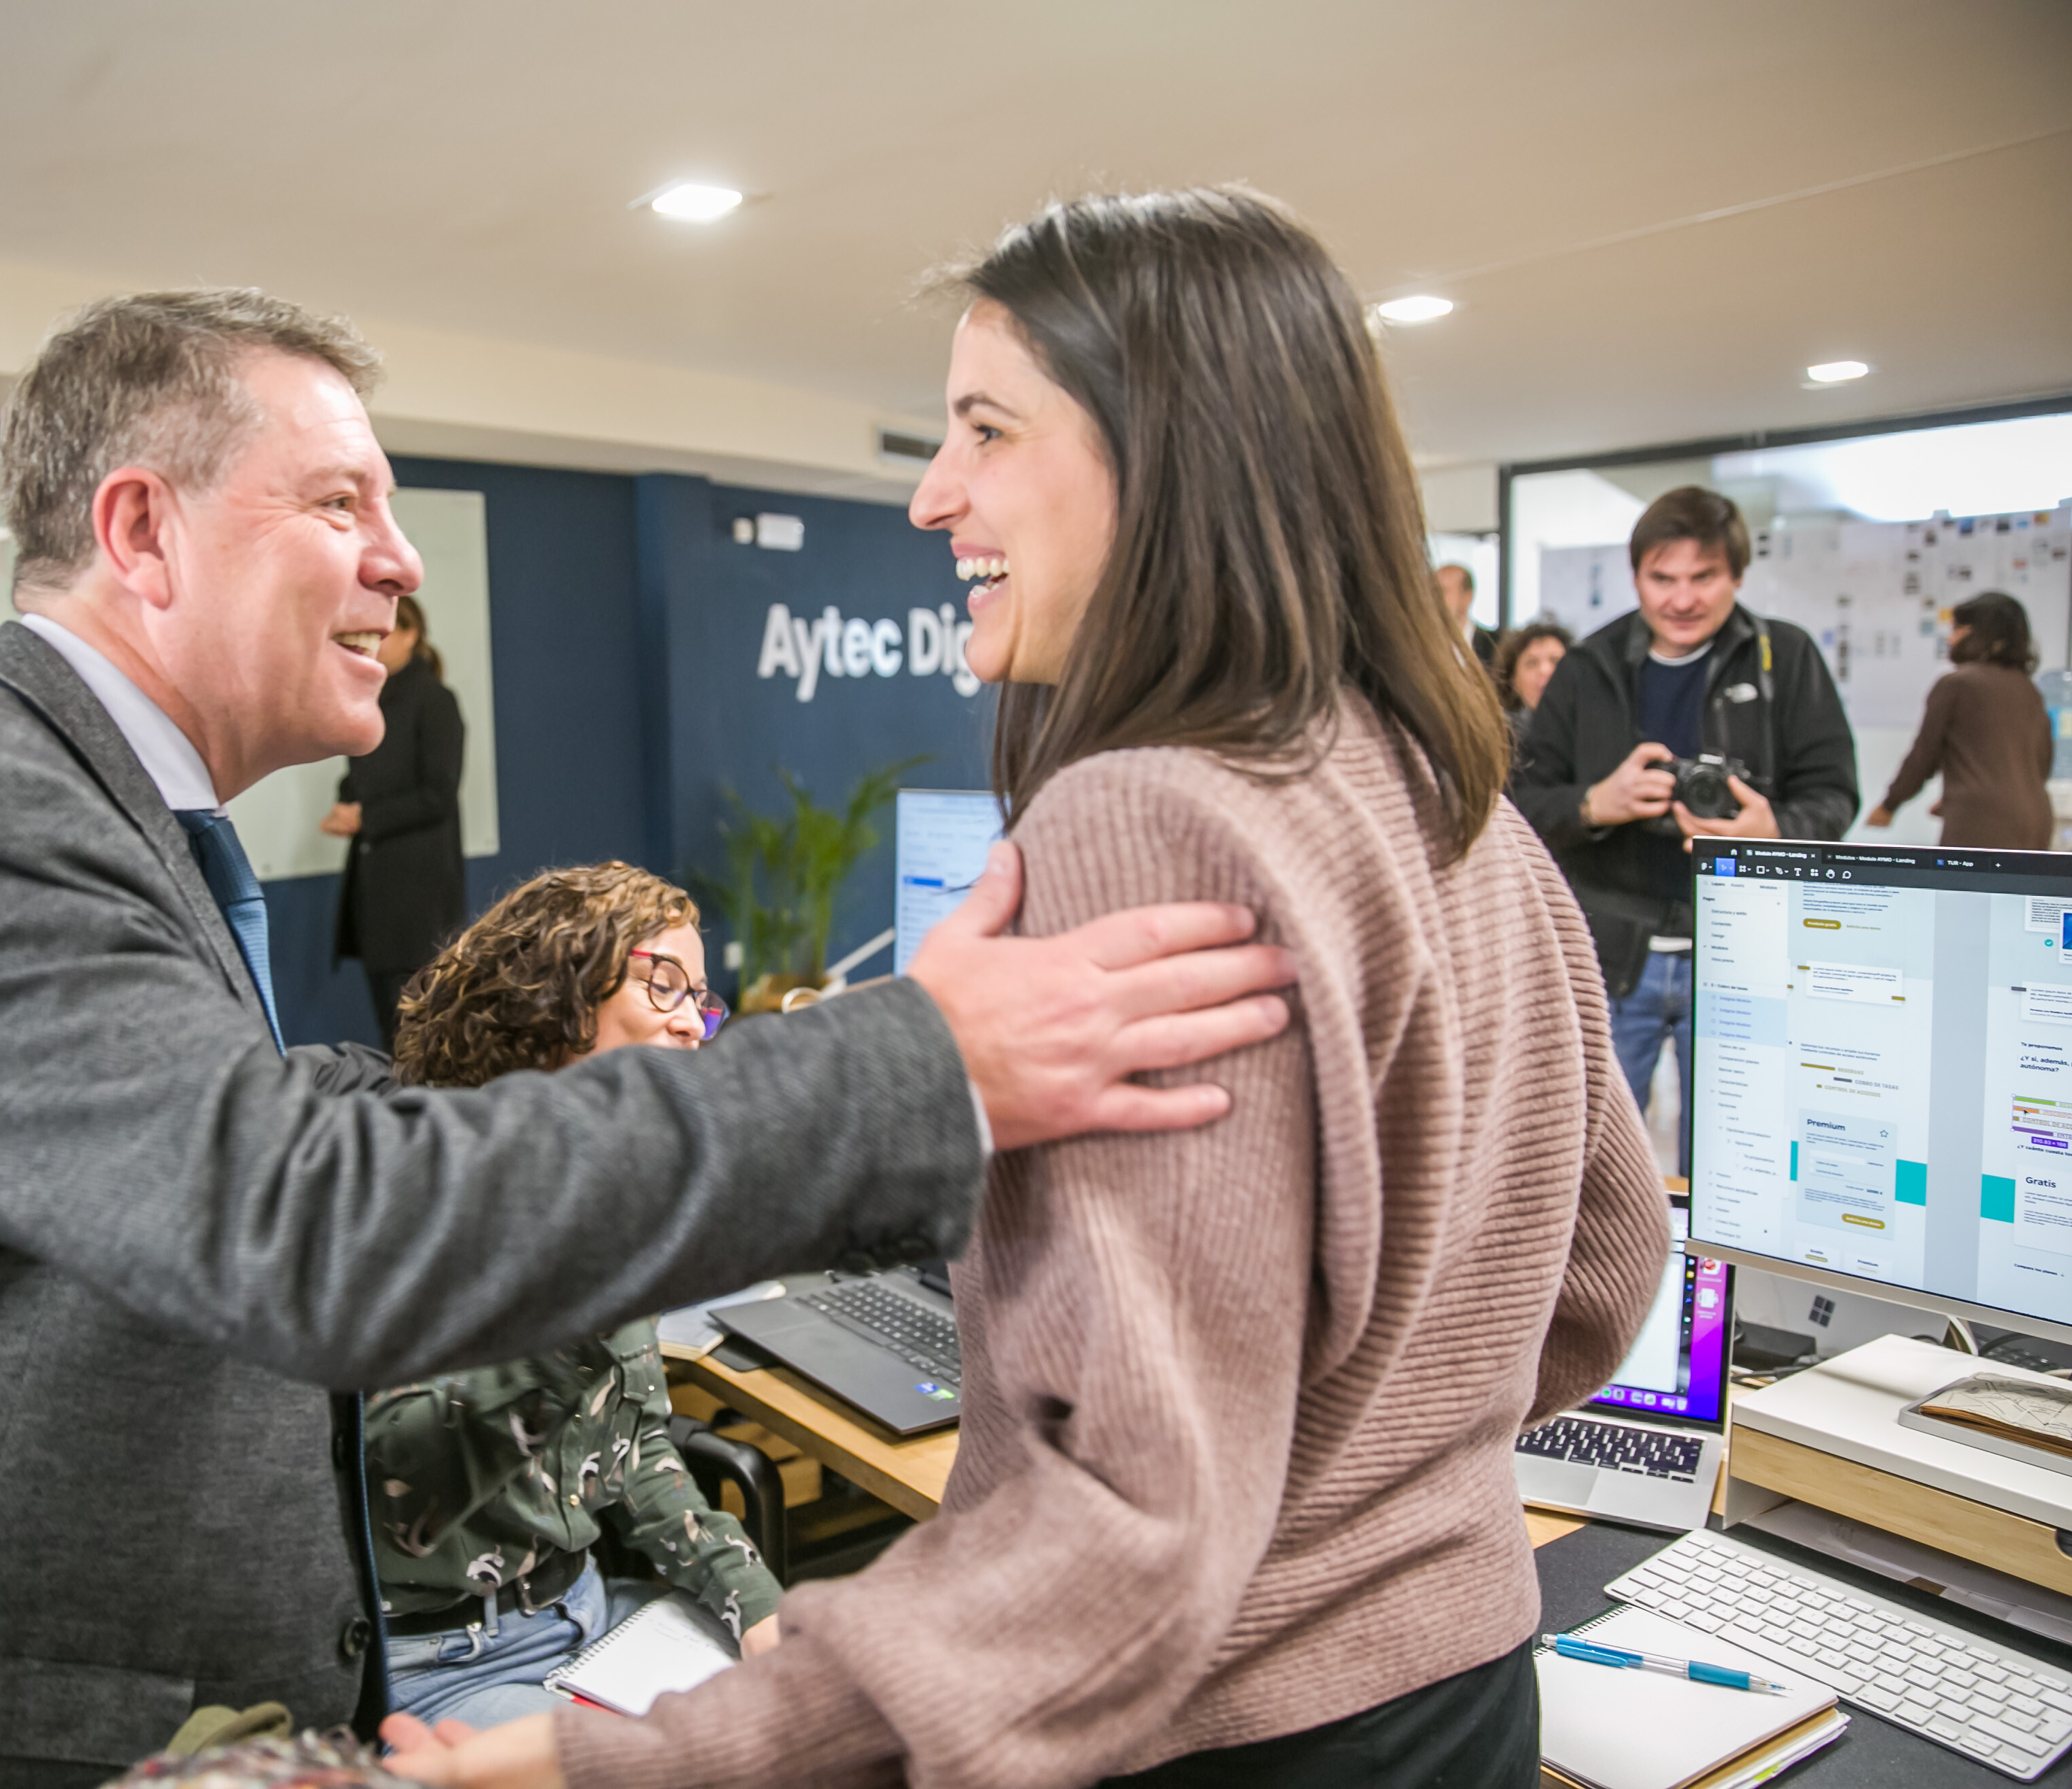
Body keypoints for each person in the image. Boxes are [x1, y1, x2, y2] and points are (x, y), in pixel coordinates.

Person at [0, 289, 1299, 1788]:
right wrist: (922, 1067)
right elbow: (299, 1218)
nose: (401, 557)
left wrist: (793, 1118)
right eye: (344, 505)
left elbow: (266, 1122)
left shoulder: (84, 810)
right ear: (141, 531)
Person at [386, 187, 1667, 1789]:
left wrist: (578, 1765)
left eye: (984, 431)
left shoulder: (1157, 815)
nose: (931, 496)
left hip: (1225, 1728)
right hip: (1462, 1684)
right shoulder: (1448, 797)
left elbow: (1119, 1547)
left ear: (1166, 458)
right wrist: (1356, 1474)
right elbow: (1602, 1270)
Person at [372, 864, 778, 1731]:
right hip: (445, 1660)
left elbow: (631, 1452)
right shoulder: (414, 1199)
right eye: (662, 982)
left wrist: (756, 1603)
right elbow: (410, 1498)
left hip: (592, 1618)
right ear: (550, 998)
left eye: (701, 998)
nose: (691, 1022)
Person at [1509, 486, 1856, 1165]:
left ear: (1737, 576)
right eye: (1662, 579)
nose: (1682, 599)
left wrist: (1773, 829)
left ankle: (1716, 1276)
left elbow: (1835, 793)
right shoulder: (1590, 667)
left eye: (1704, 578)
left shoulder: (1783, 659)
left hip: (1743, 953)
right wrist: (1594, 804)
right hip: (1612, 957)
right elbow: (1520, 806)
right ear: (1637, 576)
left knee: (1739, 1164)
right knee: (1592, 1163)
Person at [325, 591, 467, 1046]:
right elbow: (361, 775)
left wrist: (367, 816)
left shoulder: (435, 701)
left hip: (417, 897)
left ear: (412, 634)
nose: (375, 643)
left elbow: (438, 794)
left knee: (419, 1034)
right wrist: (347, 804)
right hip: (375, 892)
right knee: (389, 1032)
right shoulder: (371, 697)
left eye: (384, 633)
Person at [1865, 590, 2054, 849]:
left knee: (1961, 889)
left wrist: (1889, 805)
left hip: (1982, 821)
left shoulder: (1957, 684)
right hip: (2037, 817)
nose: (1950, 638)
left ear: (1976, 634)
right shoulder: (2028, 690)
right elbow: (2041, 762)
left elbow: (1924, 756)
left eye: (1956, 629)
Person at [1493, 618, 1573, 747]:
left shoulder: (1594, 729)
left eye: (1556, 661)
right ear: (1513, 681)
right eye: (1532, 663)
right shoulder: (1501, 741)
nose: (1545, 671)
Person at [1437, 560, 1495, 665]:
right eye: (1431, 591)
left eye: (1442, 591)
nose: (1434, 598)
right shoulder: (1419, 644)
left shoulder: (1494, 648)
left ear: (1467, 597)